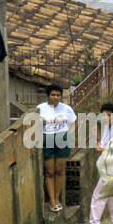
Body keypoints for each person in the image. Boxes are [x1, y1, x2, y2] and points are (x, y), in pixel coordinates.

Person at [85, 102, 113, 224]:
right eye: (104, 115)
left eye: (108, 115)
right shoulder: (107, 127)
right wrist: (97, 139)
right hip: (109, 164)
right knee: (112, 194)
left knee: (99, 193)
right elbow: (102, 144)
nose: (105, 117)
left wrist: (101, 147)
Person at [38, 84, 76, 213]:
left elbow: (74, 122)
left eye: (58, 95)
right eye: (53, 95)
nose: (56, 97)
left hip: (62, 139)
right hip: (47, 139)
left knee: (59, 170)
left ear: (61, 96)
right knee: (49, 171)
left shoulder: (66, 109)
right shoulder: (40, 108)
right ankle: (51, 200)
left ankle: (57, 198)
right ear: (48, 96)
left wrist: (70, 134)